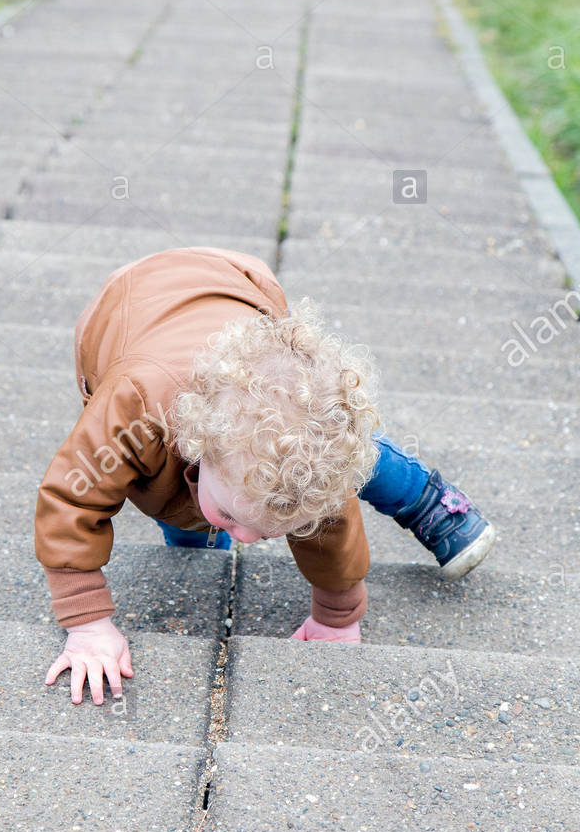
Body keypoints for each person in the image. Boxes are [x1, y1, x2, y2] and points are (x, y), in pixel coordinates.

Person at [36, 246, 494, 705]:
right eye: (236, 516)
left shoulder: (264, 481)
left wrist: (337, 616)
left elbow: (328, 522)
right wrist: (87, 623)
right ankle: (198, 535)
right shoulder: (133, 407)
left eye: (266, 530)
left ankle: (427, 500)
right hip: (125, 307)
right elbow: (71, 499)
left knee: (325, 445)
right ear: (200, 444)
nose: (250, 539)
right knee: (177, 494)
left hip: (244, 293)